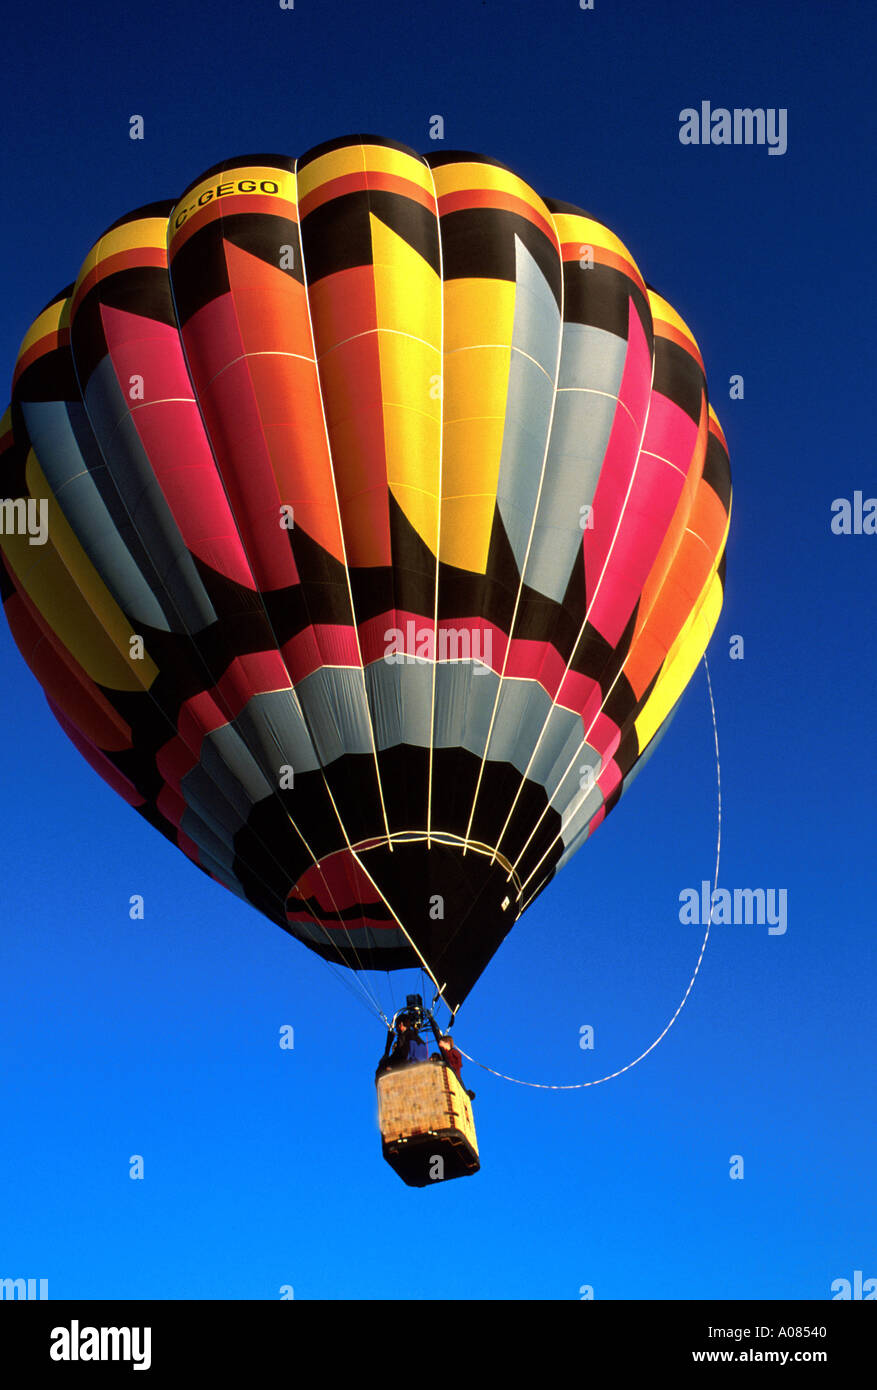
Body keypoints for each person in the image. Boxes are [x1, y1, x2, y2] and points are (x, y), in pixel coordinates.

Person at [433, 1034, 475, 1101]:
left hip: (454, 1074)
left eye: (442, 1042)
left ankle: (467, 1094)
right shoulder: (445, 1054)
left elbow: (458, 1064)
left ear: (447, 1043)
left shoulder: (454, 1052)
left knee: (460, 1084)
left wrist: (451, 1066)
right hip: (450, 1073)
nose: (440, 1044)